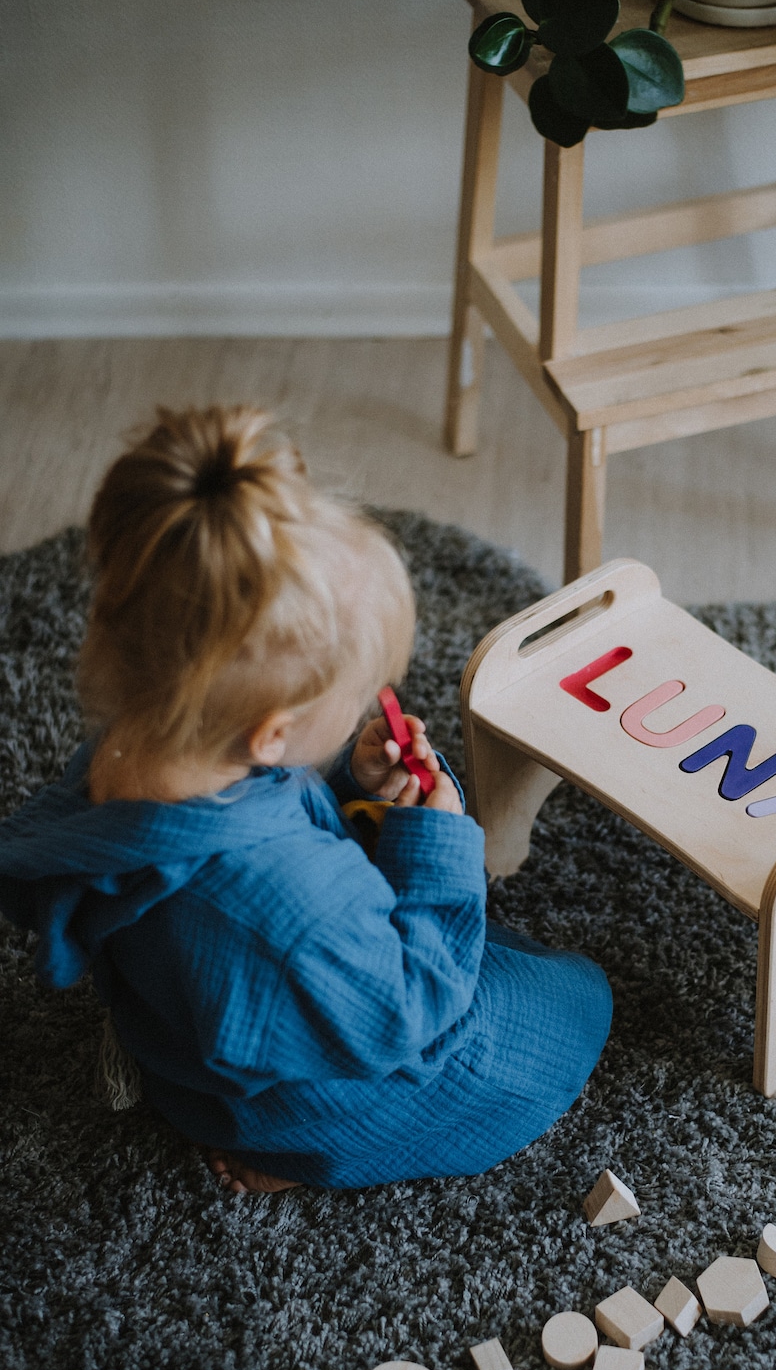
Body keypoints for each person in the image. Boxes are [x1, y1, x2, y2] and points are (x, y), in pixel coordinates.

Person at [0, 406, 611, 1192]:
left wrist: (353, 785)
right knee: (575, 1005)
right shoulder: (287, 905)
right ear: (270, 736)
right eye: (359, 693)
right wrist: (436, 845)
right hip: (301, 1082)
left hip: (190, 1025)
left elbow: (267, 812)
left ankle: (229, 1107)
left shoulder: (126, 751)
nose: (370, 702)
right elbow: (412, 1013)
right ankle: (290, 1153)